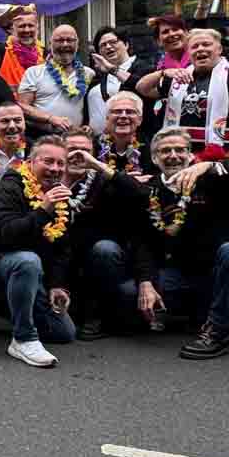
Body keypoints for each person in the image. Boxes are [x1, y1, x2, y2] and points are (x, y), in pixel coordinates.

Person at [147, 127, 229, 359]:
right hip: (180, 273)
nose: (173, 155)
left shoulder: (213, 179)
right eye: (165, 151)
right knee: (129, 294)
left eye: (180, 150)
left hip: (222, 273)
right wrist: (145, 284)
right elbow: (142, 242)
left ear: (190, 155)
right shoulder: (150, 188)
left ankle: (219, 332)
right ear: (155, 158)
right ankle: (194, 315)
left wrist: (209, 165)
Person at [0, 136, 76, 368]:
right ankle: (23, 338)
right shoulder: (8, 187)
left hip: (35, 278)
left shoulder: (58, 196)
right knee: (27, 260)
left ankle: (6, 311)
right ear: (30, 162)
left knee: (64, 332)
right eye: (48, 161)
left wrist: (58, 285)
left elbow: (63, 248)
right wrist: (44, 209)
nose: (55, 169)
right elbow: (8, 235)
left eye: (61, 164)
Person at [60, 129, 160, 340]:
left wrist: (97, 166)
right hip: (58, 260)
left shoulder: (103, 181)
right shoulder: (46, 176)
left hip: (96, 261)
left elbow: (144, 196)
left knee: (105, 249)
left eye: (85, 151)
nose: (78, 156)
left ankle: (97, 315)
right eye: (72, 150)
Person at [137, 29, 229, 162]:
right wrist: (163, 73)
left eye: (206, 44)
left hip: (226, 161)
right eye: (194, 46)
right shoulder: (178, 78)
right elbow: (142, 88)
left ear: (219, 49)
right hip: (180, 160)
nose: (200, 49)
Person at [17, 24, 92, 134]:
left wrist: (87, 125)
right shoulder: (33, 72)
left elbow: (89, 107)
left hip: (74, 138)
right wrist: (50, 118)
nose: (65, 44)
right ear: (50, 43)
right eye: (60, 40)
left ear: (77, 43)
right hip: (41, 137)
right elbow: (22, 106)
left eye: (70, 40)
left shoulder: (88, 73)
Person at [0, 5, 45, 89]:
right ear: (12, 29)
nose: (27, 30)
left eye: (30, 26)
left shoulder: (46, 54)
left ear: (37, 28)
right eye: (22, 26)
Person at [85, 27, 140, 132]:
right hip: (99, 143)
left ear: (126, 44)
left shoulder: (142, 67)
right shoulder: (95, 76)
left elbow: (140, 86)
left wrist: (113, 69)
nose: (108, 47)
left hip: (134, 140)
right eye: (103, 45)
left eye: (113, 42)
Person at [97, 91, 150, 176]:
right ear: (107, 119)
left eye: (130, 112)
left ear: (140, 120)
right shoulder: (94, 145)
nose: (123, 116)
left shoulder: (150, 147)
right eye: (117, 111)